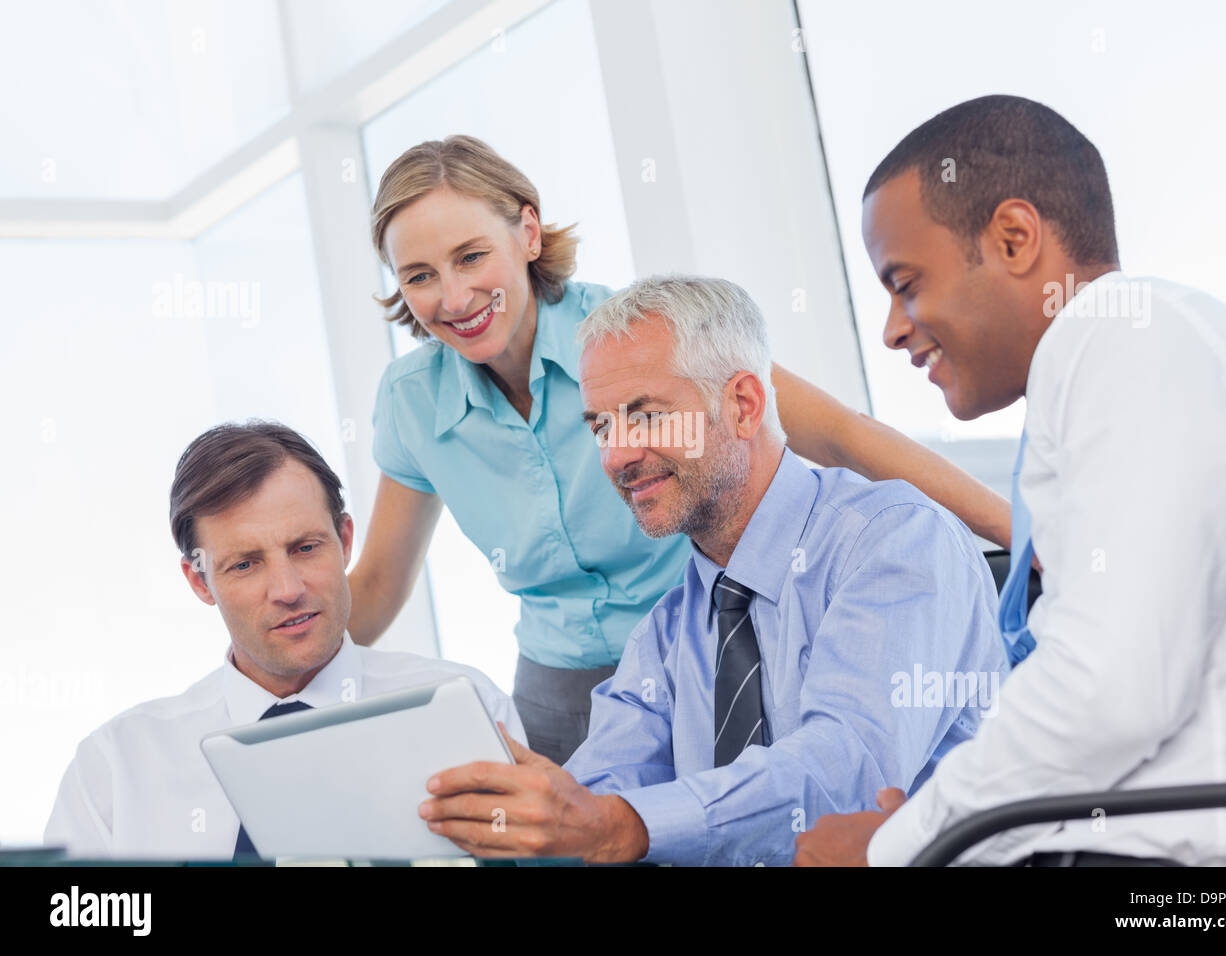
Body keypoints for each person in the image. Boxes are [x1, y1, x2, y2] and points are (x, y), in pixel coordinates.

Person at [349, 135, 1014, 765]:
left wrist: (1021, 532)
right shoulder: (411, 403)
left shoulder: (637, 340)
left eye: (471, 257)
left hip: (701, 660)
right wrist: (264, 679)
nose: (454, 297)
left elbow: (838, 434)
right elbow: (378, 583)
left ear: (527, 232)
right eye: (420, 276)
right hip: (556, 693)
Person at [794, 94, 1226, 867]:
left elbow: (1108, 694)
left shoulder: (1125, 334)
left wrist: (896, 847)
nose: (893, 329)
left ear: (1014, 238)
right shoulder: (1107, 361)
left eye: (906, 283)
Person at [412, 275, 1008, 865]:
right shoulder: (669, 630)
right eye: (600, 426)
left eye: (644, 415)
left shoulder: (894, 542)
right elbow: (599, 794)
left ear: (743, 405)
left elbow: (845, 770)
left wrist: (619, 826)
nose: (616, 455)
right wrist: (524, 817)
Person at [44, 421, 523, 860]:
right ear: (200, 581)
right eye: (246, 564)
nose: (289, 590)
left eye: (306, 547)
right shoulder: (115, 766)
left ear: (345, 539)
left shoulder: (465, 709)